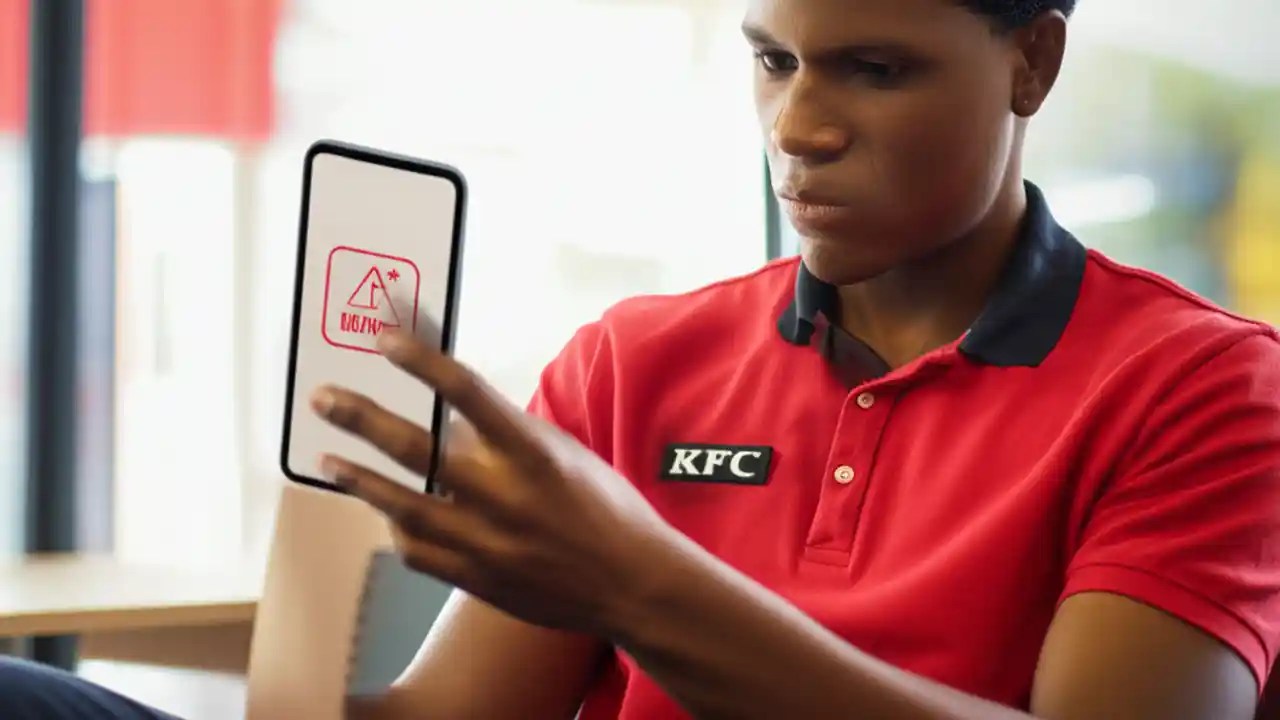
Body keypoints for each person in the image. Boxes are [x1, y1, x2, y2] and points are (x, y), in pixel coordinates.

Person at [3, 0, 1280, 718]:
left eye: (873, 71)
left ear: (1033, 62)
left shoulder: (1198, 386)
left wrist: (634, 580)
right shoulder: (635, 361)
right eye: (771, 62)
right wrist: (325, 557)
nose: (797, 127)